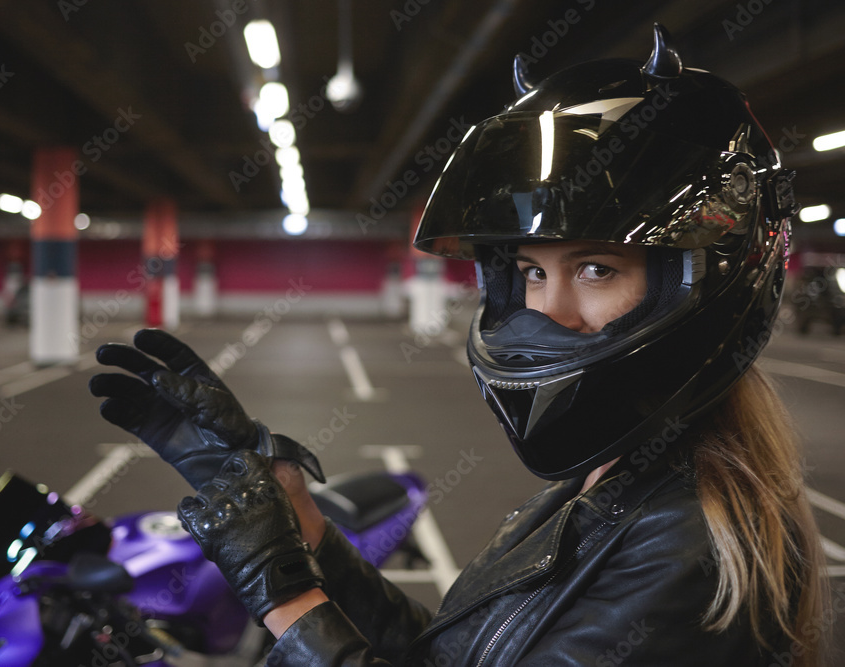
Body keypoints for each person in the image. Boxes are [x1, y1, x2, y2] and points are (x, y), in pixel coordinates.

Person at [90, 24, 828, 666]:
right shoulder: (612, 477)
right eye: (532, 273)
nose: (548, 310)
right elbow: (445, 652)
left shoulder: (692, 548)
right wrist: (300, 525)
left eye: (597, 268)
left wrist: (285, 598)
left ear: (703, 281)